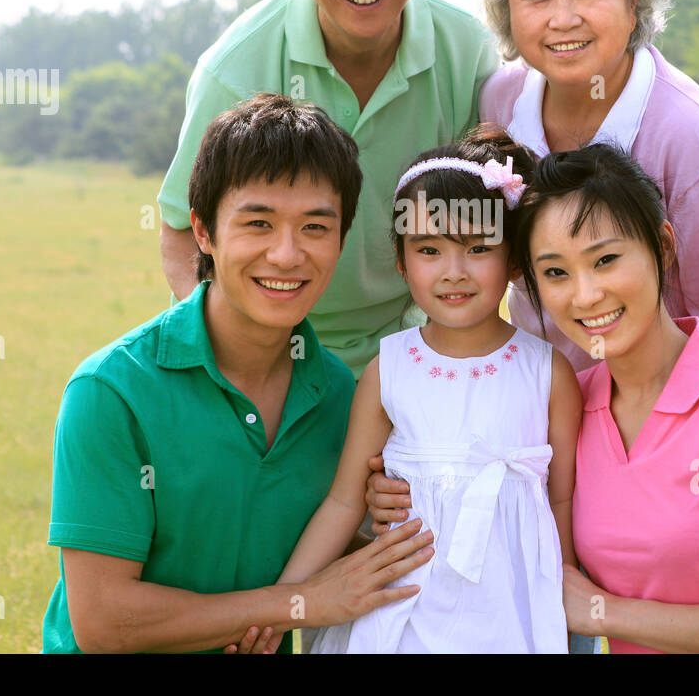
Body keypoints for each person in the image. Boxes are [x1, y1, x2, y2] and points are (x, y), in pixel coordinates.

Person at [41, 95, 435, 654]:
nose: (286, 254)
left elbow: (343, 559)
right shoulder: (111, 391)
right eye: (258, 223)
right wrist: (296, 604)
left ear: (342, 239)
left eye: (315, 227)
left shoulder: (342, 394)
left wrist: (379, 513)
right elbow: (104, 621)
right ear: (203, 231)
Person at [158, 0, 498, 377]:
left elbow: (496, 215)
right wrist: (231, 365)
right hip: (270, 352)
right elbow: (180, 225)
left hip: (418, 347)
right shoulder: (235, 69)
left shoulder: (470, 53)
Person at [248, 126, 581, 653]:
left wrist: (564, 610)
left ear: (514, 260)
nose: (454, 272)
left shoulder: (547, 372)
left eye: (477, 247)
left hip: (510, 617)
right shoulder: (392, 368)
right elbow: (341, 503)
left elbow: (561, 502)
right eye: (429, 249)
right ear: (402, 263)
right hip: (402, 615)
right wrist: (283, 603)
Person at [516, 145, 699, 653]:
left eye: (606, 260)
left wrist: (602, 611)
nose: (585, 295)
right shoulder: (571, 406)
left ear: (663, 245)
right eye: (556, 273)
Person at [477, 0, 699, 374]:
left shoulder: (686, 133)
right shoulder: (498, 101)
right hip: (544, 412)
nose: (563, 19)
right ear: (507, 5)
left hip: (659, 416)